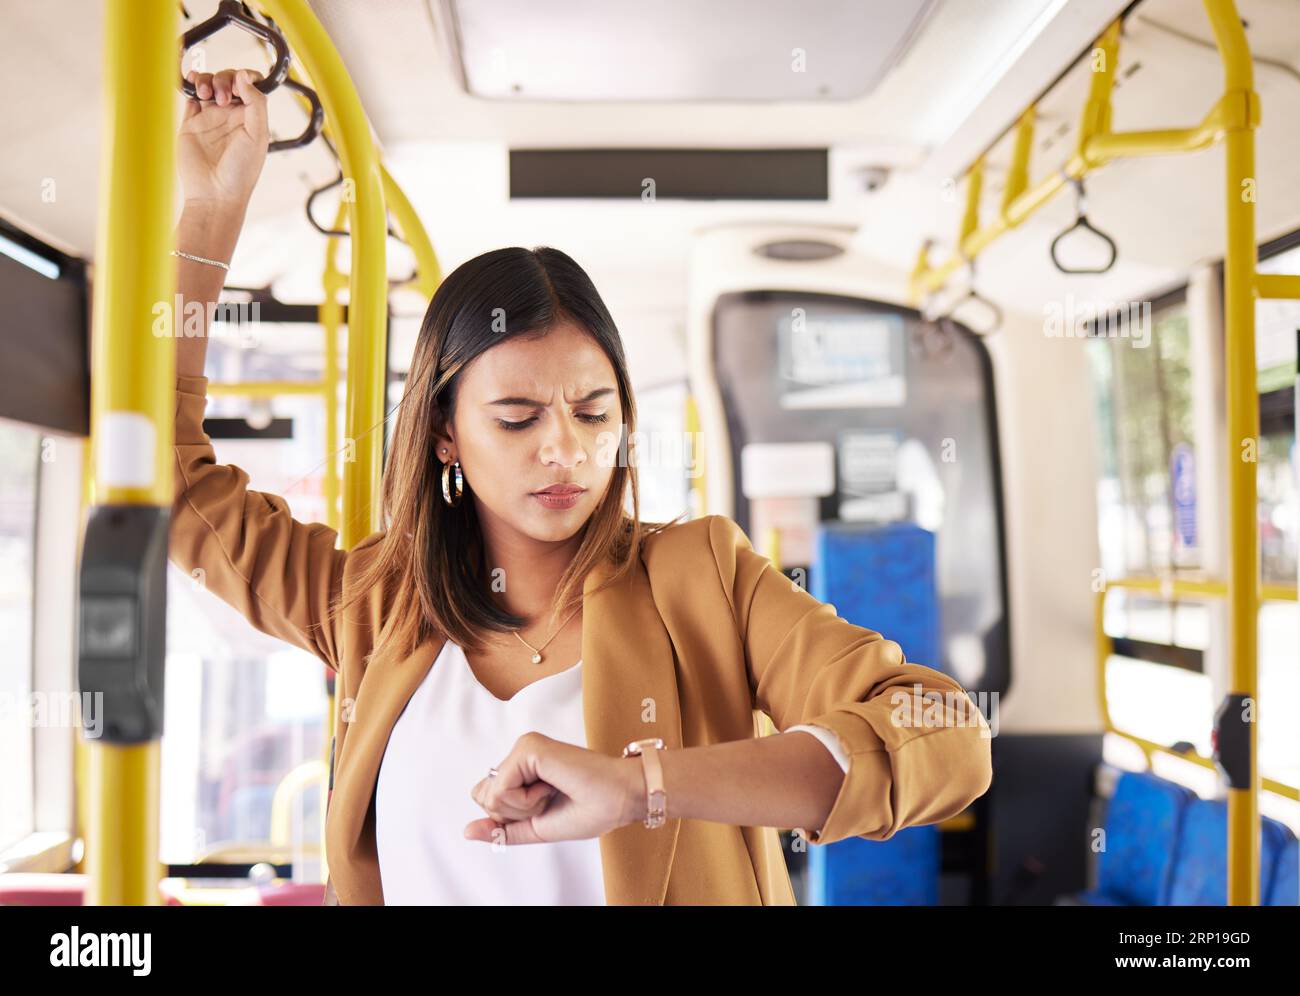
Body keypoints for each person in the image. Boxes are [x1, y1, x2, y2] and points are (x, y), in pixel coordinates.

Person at [169, 68, 993, 905]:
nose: (564, 450)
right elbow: (165, 475)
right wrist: (208, 215)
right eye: (518, 418)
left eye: (593, 414)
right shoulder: (374, 605)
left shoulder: (702, 580)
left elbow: (949, 736)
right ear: (446, 432)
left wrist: (644, 786)